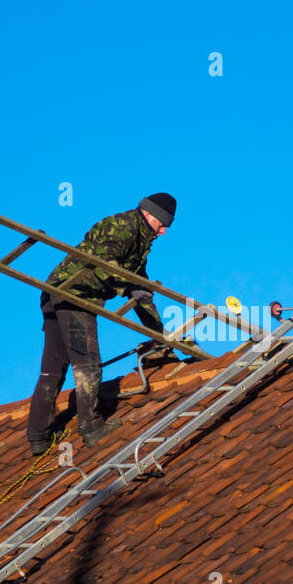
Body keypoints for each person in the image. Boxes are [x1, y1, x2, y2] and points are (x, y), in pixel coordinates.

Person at [26, 192, 176, 456]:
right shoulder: (125, 227)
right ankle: (91, 426)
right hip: (76, 293)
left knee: (53, 368)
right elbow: (104, 263)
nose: (163, 232)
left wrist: (159, 334)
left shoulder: (139, 241)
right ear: (150, 215)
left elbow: (139, 287)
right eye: (162, 225)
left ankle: (39, 435)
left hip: (56, 291)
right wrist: (127, 287)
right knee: (87, 362)